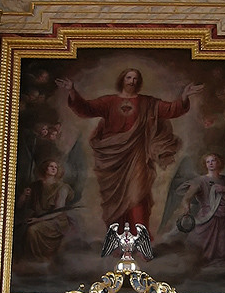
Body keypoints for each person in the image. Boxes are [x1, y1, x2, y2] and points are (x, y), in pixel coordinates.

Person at [55, 68, 203, 232]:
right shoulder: (109, 101)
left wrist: (184, 96)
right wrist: (72, 91)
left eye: (135, 78)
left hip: (137, 154)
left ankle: (140, 239)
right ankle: (117, 239)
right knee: (114, 200)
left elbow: (170, 109)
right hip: (111, 158)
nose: (132, 81)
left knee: (138, 196)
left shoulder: (148, 102)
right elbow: (86, 108)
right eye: (129, 77)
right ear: (122, 80)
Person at [177, 153, 225, 265]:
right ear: (205, 164)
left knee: (223, 245)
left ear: (219, 162)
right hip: (207, 216)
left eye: (213, 161)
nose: (210, 164)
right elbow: (187, 198)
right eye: (208, 161)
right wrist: (186, 208)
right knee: (200, 244)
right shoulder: (199, 181)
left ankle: (221, 265)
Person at [15, 160, 74, 261]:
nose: (53, 168)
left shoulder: (62, 188)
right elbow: (19, 206)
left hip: (55, 220)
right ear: (45, 169)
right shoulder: (35, 186)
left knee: (32, 230)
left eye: (55, 167)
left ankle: (38, 259)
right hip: (37, 217)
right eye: (51, 166)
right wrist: (24, 195)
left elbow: (58, 211)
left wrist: (38, 220)